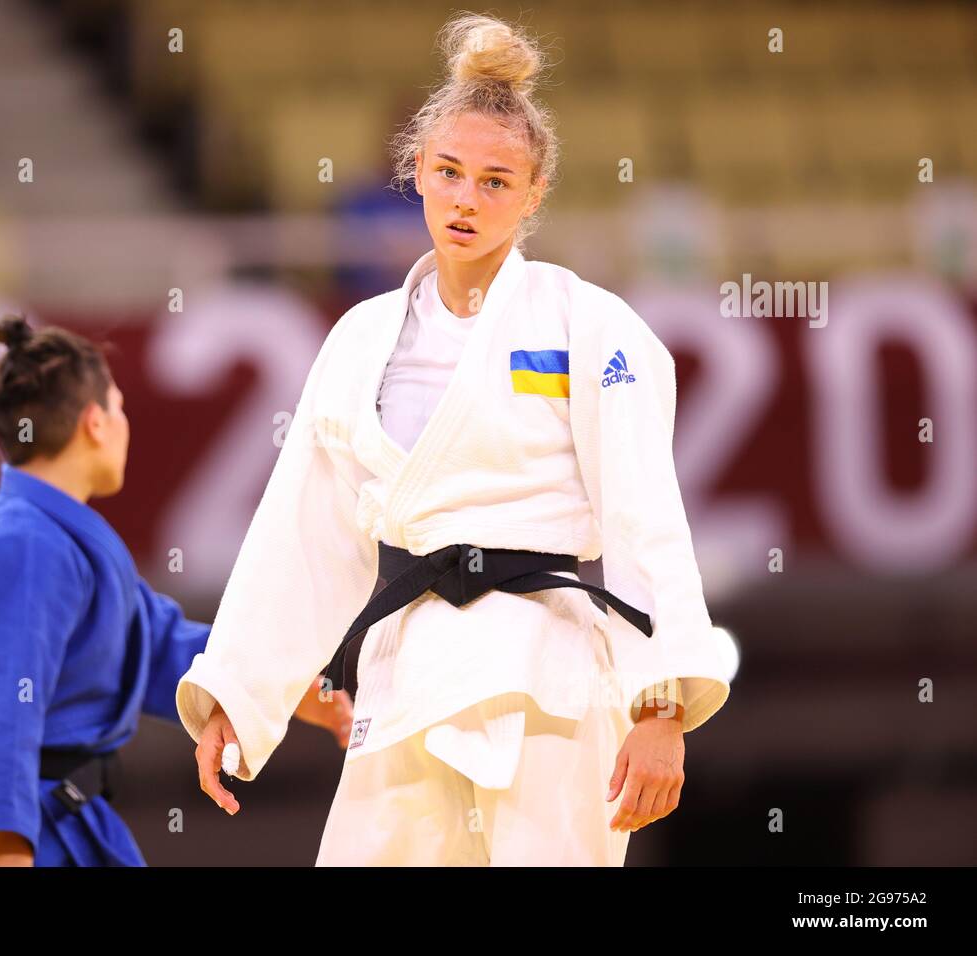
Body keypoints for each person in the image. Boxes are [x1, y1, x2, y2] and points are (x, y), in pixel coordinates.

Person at [176, 13, 732, 865]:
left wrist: (660, 708)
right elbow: (304, 530)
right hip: (403, 676)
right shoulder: (361, 338)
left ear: (535, 192)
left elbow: (643, 518)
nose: (467, 200)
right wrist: (236, 691)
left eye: (496, 180)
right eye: (448, 173)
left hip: (546, 678)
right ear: (417, 174)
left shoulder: (588, 324)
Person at [0, 315, 348, 866]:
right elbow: (0, 715)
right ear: (95, 422)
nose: (125, 422)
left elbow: (156, 647)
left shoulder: (44, 532)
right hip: (19, 836)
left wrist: (281, 683)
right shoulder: (30, 546)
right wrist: (11, 859)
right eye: (119, 407)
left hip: (57, 823)